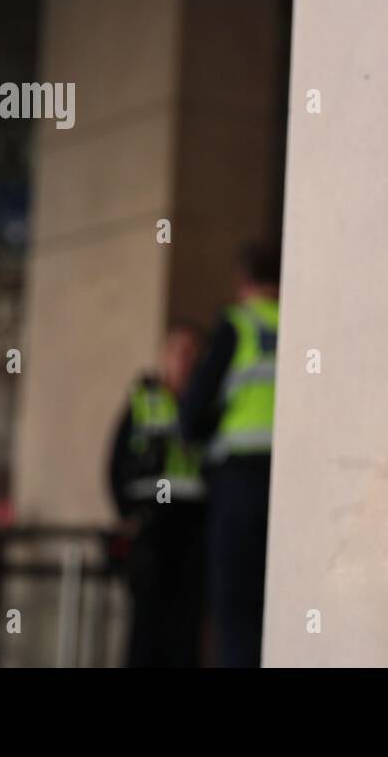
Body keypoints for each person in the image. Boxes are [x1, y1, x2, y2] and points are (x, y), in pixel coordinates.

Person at [180, 243, 279, 667]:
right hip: (290, 481)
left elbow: (193, 411)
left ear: (243, 282)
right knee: (279, 605)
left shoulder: (237, 324)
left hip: (239, 482)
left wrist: (201, 429)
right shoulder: (307, 319)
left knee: (236, 610)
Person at [107, 321, 206, 667]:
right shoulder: (143, 401)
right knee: (146, 628)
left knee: (184, 631)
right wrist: (127, 516)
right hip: (151, 526)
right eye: (180, 352)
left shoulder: (208, 403)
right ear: (164, 356)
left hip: (193, 526)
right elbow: (116, 464)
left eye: (193, 353)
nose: (186, 361)